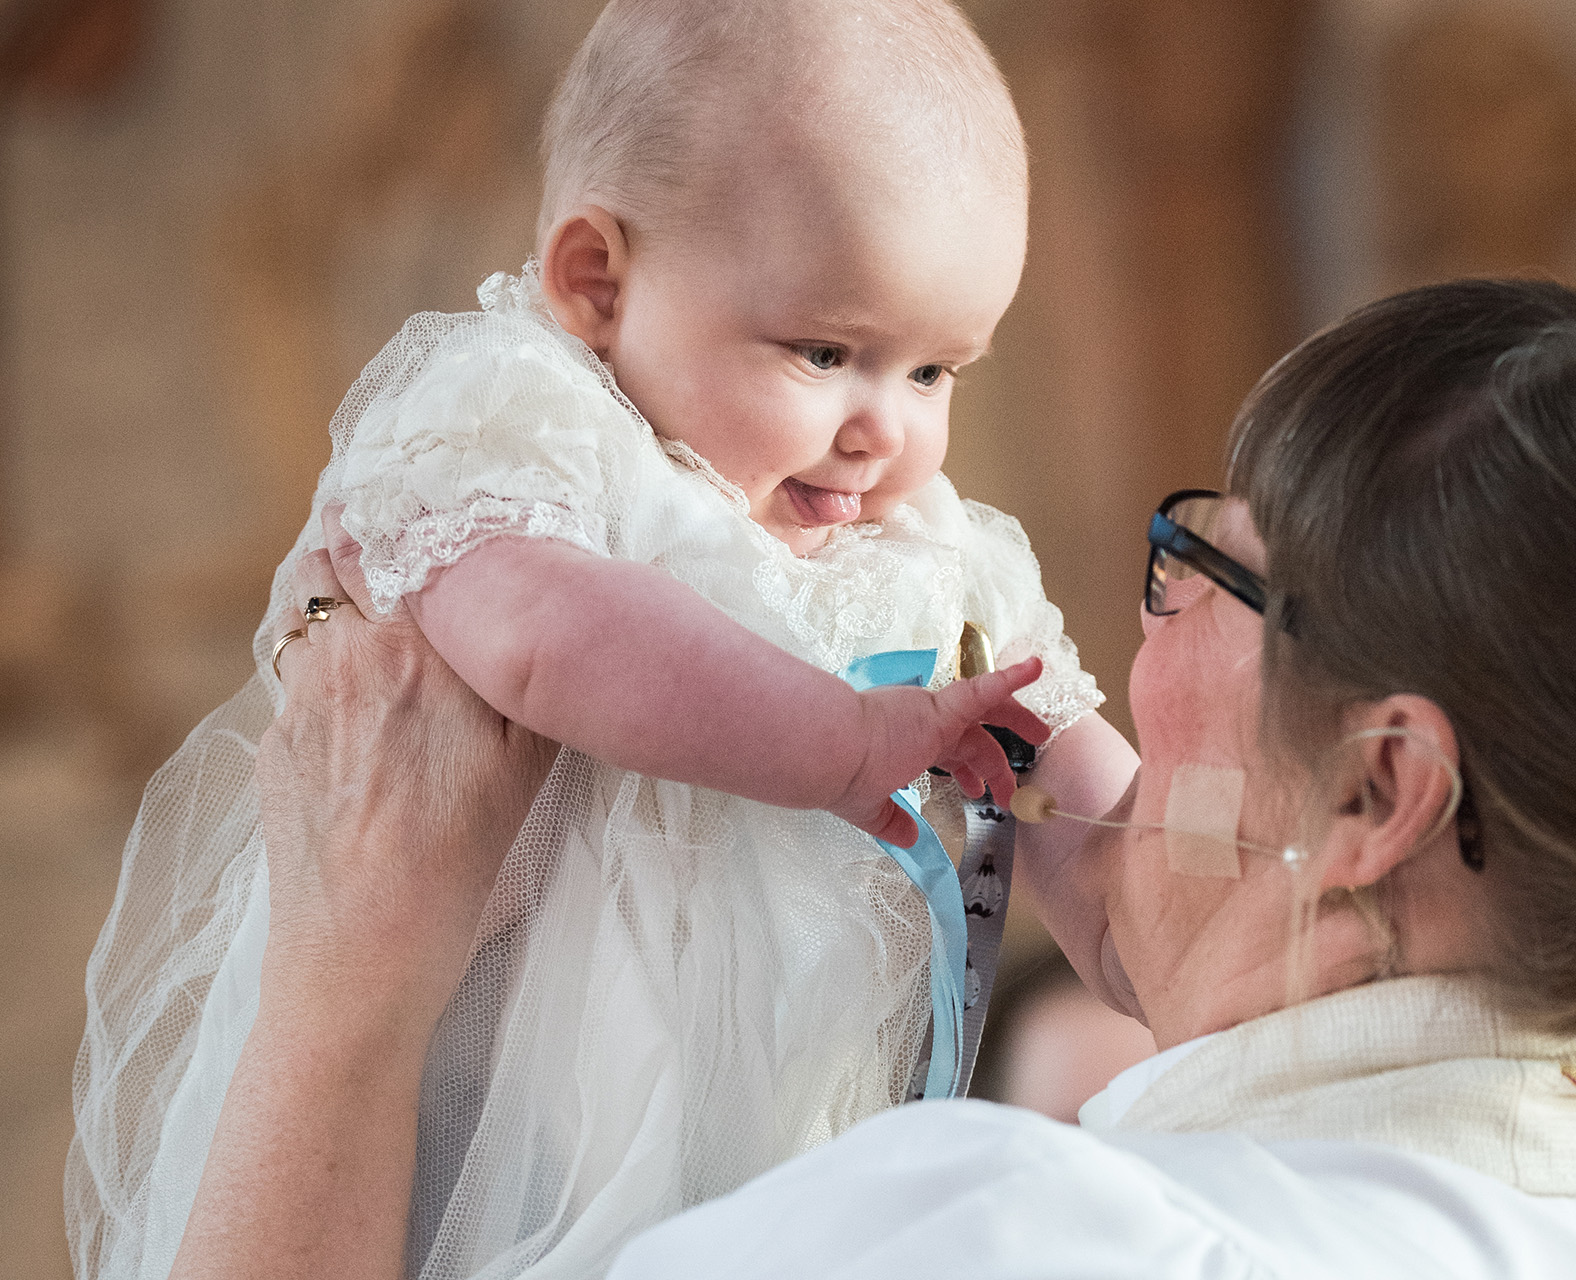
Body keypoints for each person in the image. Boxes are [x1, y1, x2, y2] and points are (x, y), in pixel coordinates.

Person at [164, 277, 1576, 1278]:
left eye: (1201, 575)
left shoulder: (1022, 1240)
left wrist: (346, 1000)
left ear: (1381, 794)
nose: (1135, 650)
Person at [67, 3, 1136, 1277]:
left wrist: (1147, 892)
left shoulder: (927, 547)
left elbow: (1056, 746)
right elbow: (541, 633)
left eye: (934, 372)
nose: (883, 431)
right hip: (479, 1094)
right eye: (827, 350)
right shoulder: (533, 435)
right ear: (596, 282)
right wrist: (839, 737)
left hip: (765, 1108)